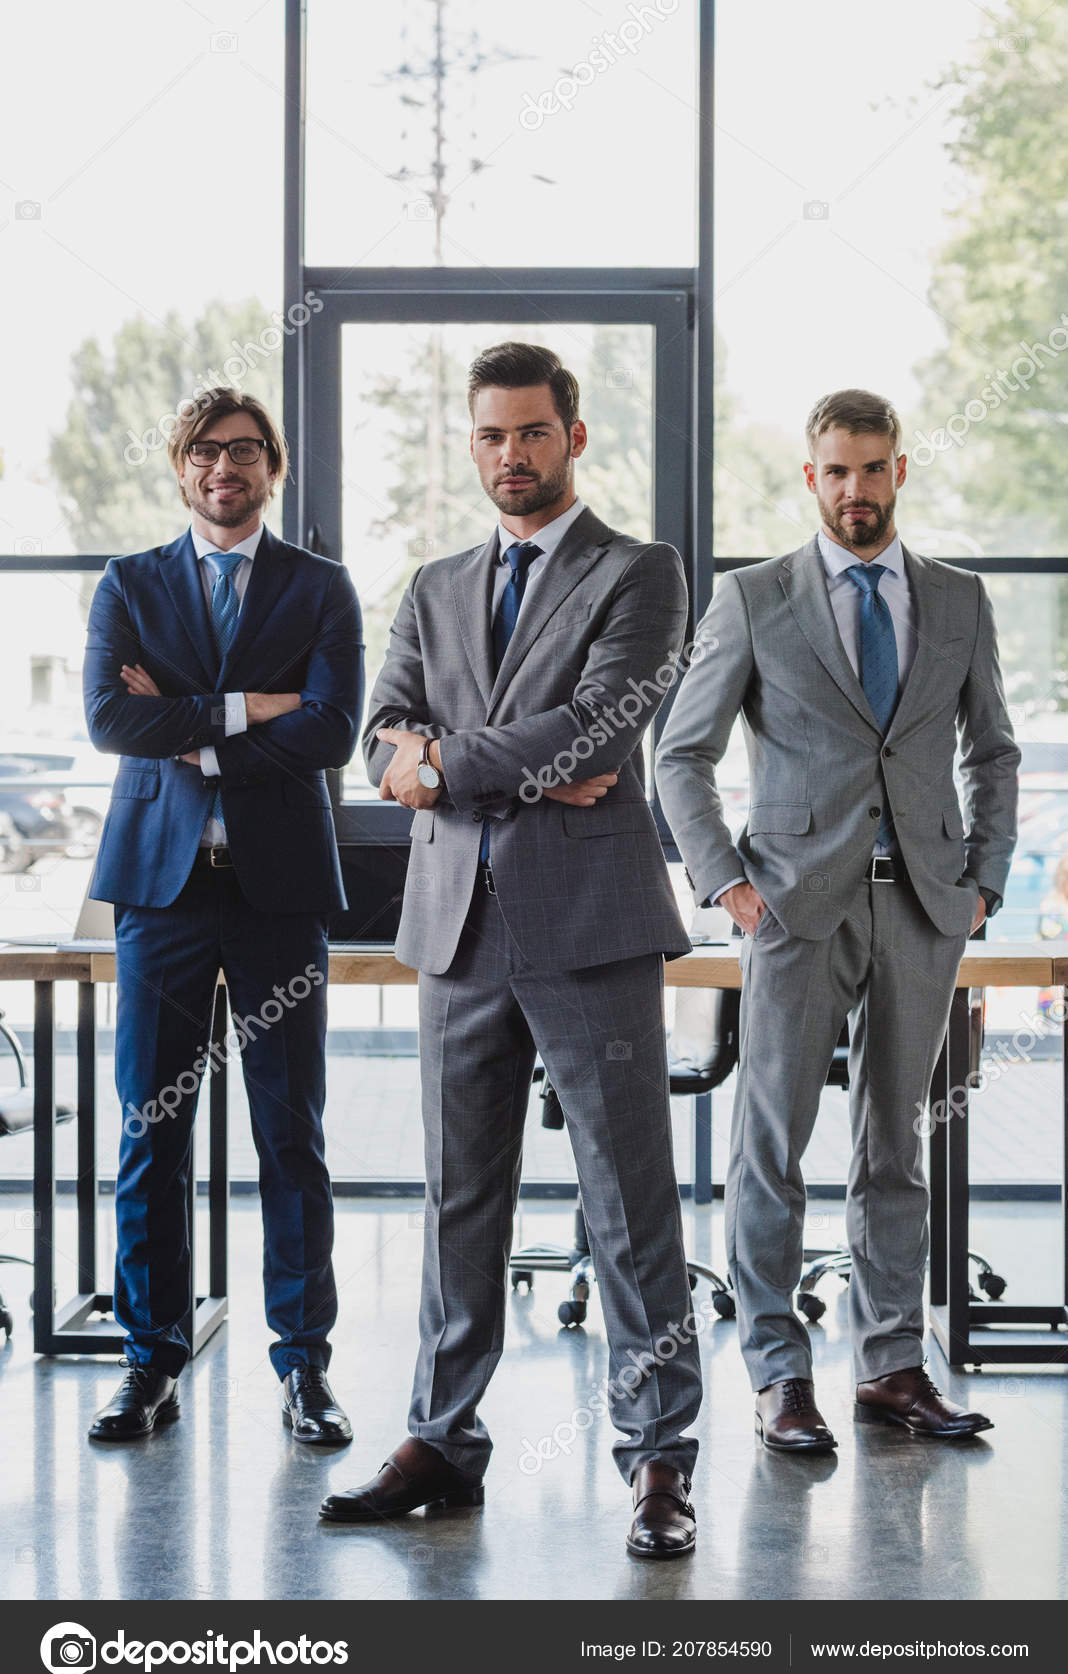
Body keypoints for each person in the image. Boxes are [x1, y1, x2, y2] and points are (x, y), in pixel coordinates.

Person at [320, 342, 701, 1558]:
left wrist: (443, 765)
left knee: (629, 1202)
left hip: (590, 927)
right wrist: (463, 761)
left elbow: (600, 719)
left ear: (573, 437)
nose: (511, 456)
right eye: (490, 435)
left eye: (532, 432)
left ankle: (657, 1460)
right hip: (453, 929)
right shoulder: (434, 583)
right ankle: (441, 1435)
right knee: (458, 1197)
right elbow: (380, 724)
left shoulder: (641, 572)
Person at [656, 387, 1019, 1448]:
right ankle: (778, 1369)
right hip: (792, 906)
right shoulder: (755, 597)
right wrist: (726, 881)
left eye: (872, 468)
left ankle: (893, 1364)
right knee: (771, 1141)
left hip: (921, 902)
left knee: (897, 1140)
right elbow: (680, 753)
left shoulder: (957, 599)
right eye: (835, 471)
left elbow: (991, 748)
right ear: (809, 477)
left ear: (900, 470)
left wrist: (984, 878)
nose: (854, 490)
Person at [82, 387, 362, 1446]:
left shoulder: (321, 588)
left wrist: (185, 724)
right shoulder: (130, 581)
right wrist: (252, 711)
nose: (223, 467)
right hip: (160, 889)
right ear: (181, 465)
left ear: (271, 467)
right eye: (204, 451)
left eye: (244, 450)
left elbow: (333, 730)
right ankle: (149, 1361)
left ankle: (304, 1367)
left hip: (278, 890)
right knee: (153, 1131)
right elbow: (113, 716)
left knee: (290, 1132)